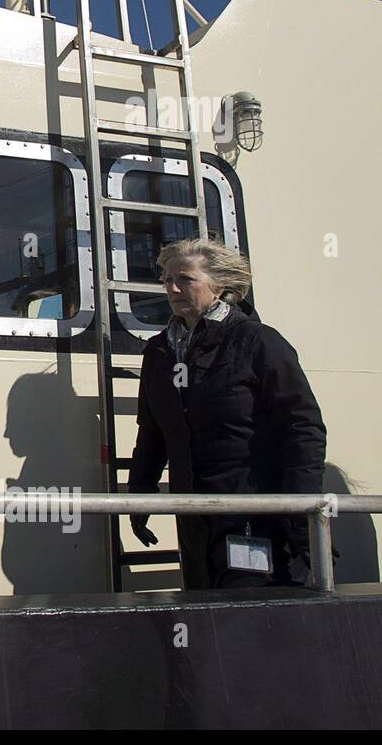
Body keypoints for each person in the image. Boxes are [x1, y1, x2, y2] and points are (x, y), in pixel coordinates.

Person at [127, 237, 328, 588]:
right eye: (167, 280)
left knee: (253, 623)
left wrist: (302, 518)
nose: (173, 288)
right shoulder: (158, 352)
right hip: (194, 520)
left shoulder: (258, 342)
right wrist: (141, 497)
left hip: (254, 516)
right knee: (205, 619)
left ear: (219, 286)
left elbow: (303, 429)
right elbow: (153, 432)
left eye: (186, 279)